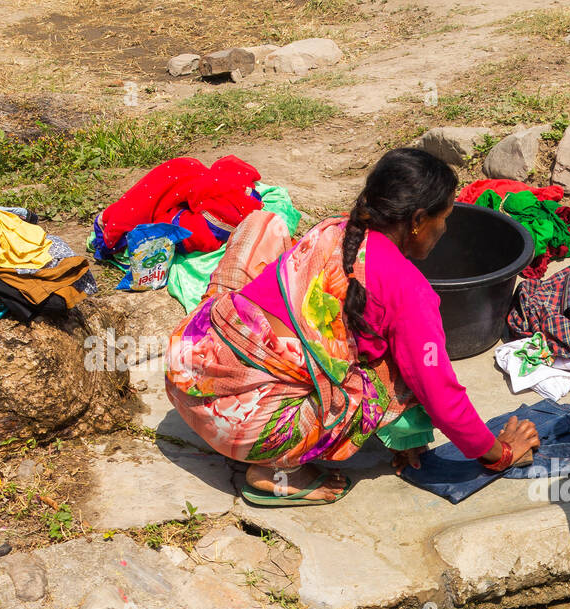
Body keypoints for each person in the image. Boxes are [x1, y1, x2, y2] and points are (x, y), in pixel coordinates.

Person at [165, 148, 538, 505]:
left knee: (264, 226)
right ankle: (275, 473)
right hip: (241, 426)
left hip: (186, 366)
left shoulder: (334, 233)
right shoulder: (408, 289)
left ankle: (280, 418)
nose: (444, 229)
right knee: (401, 368)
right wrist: (499, 452)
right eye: (444, 218)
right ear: (418, 220)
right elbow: (439, 392)